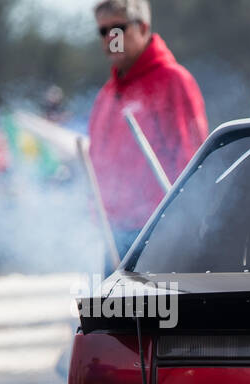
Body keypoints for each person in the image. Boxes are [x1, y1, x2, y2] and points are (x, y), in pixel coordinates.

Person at [88, 0, 207, 258]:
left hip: (160, 232)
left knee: (155, 302)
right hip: (113, 235)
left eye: (118, 28)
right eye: (103, 31)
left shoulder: (173, 81)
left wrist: (181, 225)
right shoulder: (105, 96)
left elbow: (192, 160)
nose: (111, 38)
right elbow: (95, 166)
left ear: (142, 28)